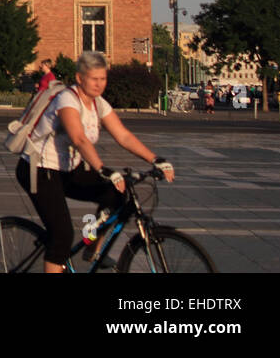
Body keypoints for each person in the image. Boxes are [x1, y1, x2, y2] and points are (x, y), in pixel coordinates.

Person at [16, 50, 175, 273]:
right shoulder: (66, 100)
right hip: (40, 170)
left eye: (103, 79)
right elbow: (79, 138)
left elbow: (123, 135)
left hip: (68, 168)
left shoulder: (98, 103)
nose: (100, 84)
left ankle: (92, 249)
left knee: (117, 195)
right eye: (94, 79)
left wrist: (156, 159)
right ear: (80, 78)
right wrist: (103, 169)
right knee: (61, 236)